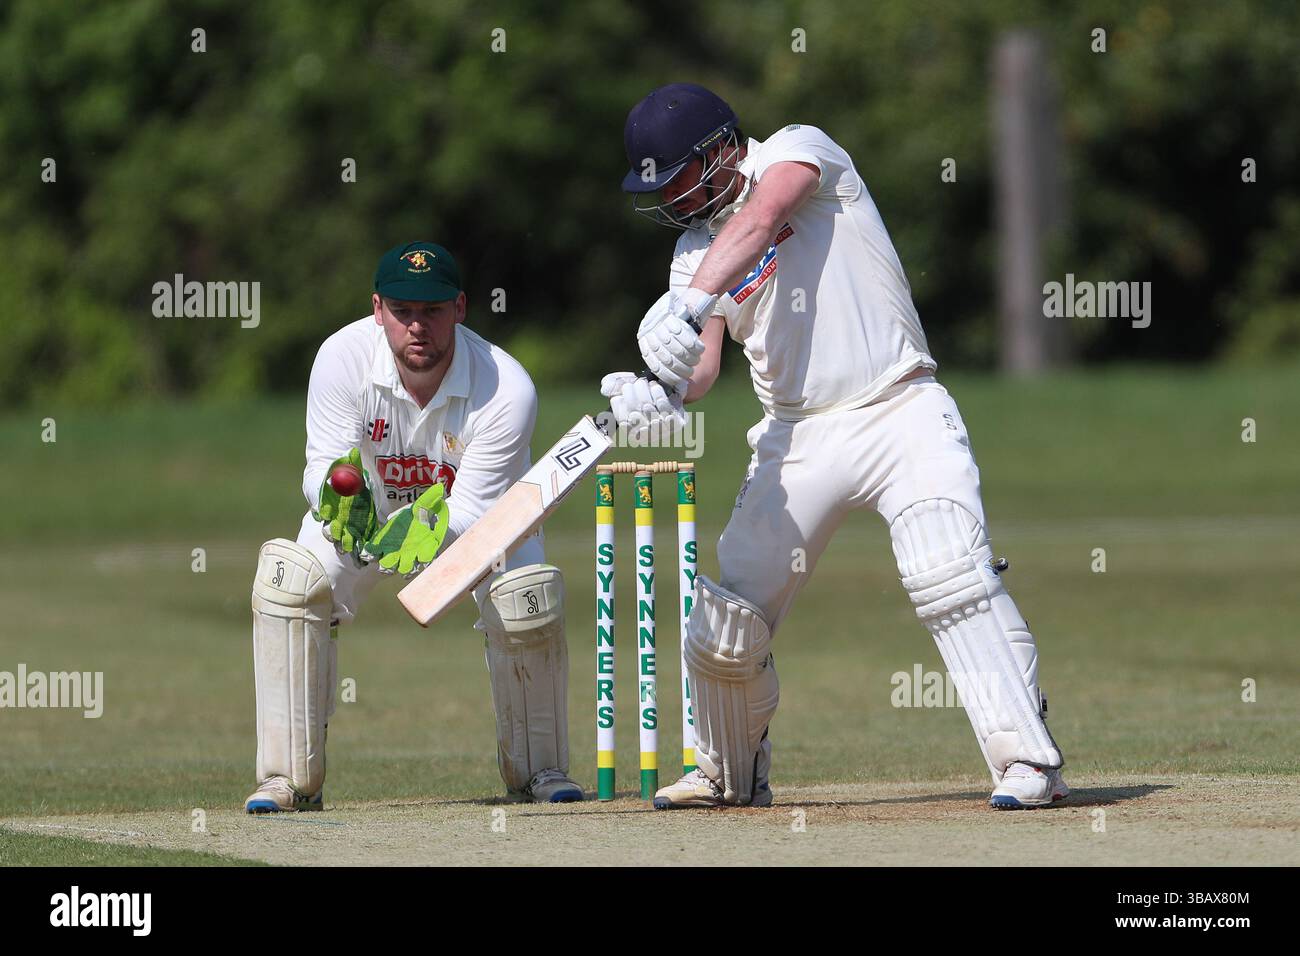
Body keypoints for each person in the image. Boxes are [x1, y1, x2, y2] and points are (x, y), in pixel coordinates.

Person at [602, 83, 1068, 810]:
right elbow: (698, 372)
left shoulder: (798, 149)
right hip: (798, 437)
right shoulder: (693, 251)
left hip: (898, 405)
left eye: (681, 176)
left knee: (948, 570)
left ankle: (1027, 763)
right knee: (727, 622)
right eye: (659, 188)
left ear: (720, 149)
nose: (673, 198)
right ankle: (727, 773)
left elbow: (764, 215)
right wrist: (653, 395)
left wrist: (688, 302)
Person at [245, 240, 582, 812]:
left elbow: (475, 512)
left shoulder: (506, 387)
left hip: (475, 528)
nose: (417, 328)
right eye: (402, 312)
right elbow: (321, 466)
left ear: (461, 308)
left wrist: (421, 533)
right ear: (379, 310)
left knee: (524, 596)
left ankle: (539, 770)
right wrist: (336, 501)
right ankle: (288, 779)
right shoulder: (341, 357)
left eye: (432, 311)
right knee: (291, 583)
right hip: (363, 524)